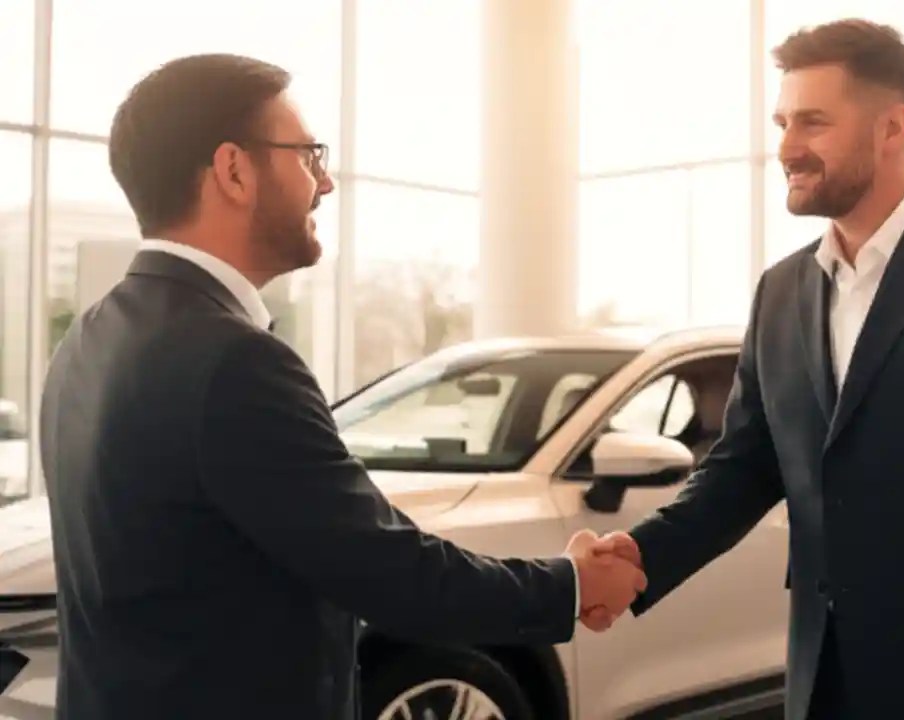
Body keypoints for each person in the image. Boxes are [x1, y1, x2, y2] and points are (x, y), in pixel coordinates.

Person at [39, 53, 645, 720]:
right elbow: (389, 571)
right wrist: (569, 585)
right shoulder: (233, 361)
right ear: (233, 170)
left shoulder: (87, 340)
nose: (325, 182)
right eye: (307, 155)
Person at [590, 19, 904, 720]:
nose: (786, 148)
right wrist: (638, 556)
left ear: (892, 127)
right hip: (819, 681)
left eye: (812, 122)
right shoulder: (781, 291)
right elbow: (743, 468)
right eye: (781, 122)